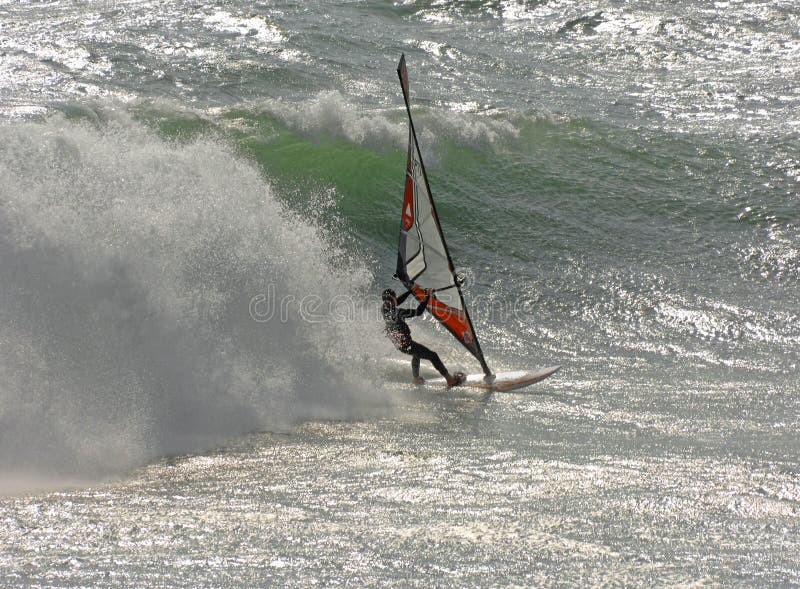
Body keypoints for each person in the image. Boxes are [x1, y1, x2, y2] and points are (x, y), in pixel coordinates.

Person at [382, 286, 464, 386]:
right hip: (406, 344)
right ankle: (450, 380)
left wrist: (410, 291)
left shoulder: (384, 309)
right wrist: (427, 296)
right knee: (433, 356)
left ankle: (416, 379)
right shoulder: (400, 313)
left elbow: (396, 302)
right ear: (393, 299)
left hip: (400, 344)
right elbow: (418, 312)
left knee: (416, 354)